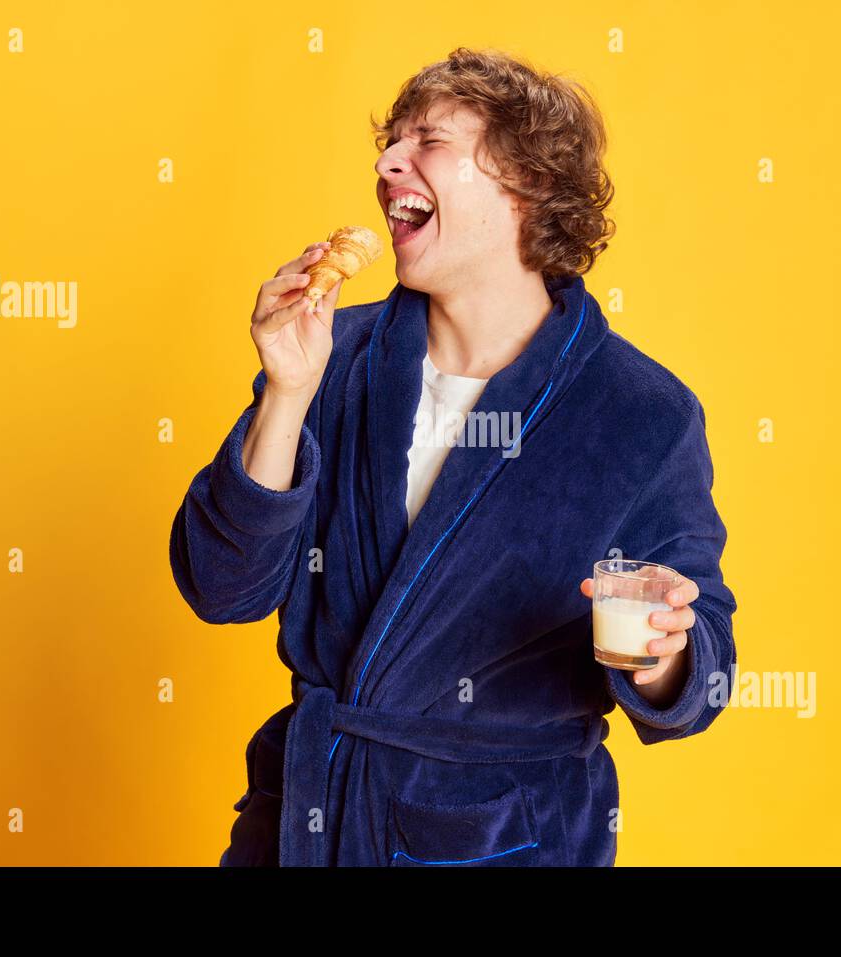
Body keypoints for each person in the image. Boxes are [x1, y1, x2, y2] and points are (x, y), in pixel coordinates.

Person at [169, 47, 737, 867]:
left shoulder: (639, 409)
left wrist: (665, 650)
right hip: (306, 821)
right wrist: (288, 390)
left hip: (499, 840)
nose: (386, 161)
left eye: (427, 140)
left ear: (526, 182)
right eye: (389, 142)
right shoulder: (337, 355)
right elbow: (221, 588)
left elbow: (700, 678)